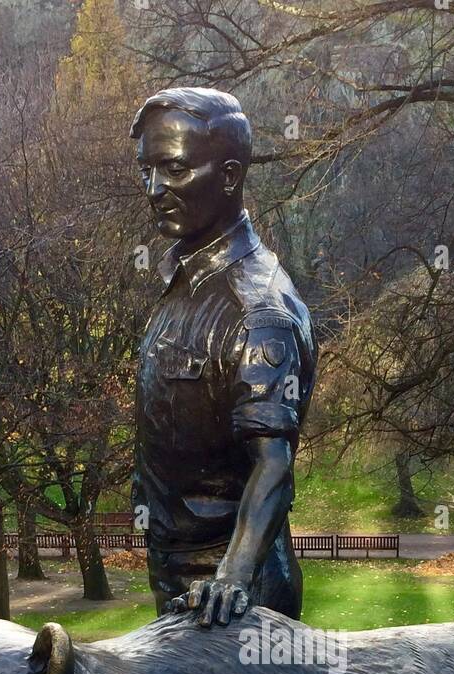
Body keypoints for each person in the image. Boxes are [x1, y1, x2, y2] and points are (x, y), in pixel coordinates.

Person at [131, 87, 317, 627]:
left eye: (175, 169)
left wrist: (231, 578)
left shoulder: (261, 311)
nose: (155, 189)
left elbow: (273, 464)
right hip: (175, 575)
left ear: (230, 176)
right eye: (147, 170)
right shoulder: (184, 283)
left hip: (235, 598)